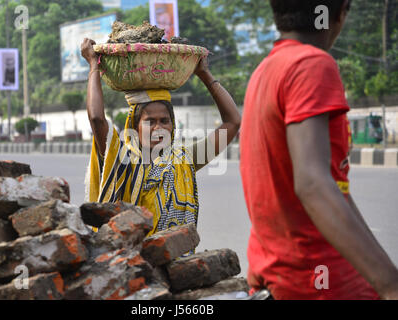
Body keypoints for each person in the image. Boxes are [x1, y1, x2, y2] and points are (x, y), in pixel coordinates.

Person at [239, 0, 398, 300]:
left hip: (276, 273)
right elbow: (313, 185)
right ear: (339, 13)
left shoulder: (264, 70)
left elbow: (335, 189)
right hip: (319, 280)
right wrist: (390, 285)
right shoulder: (311, 64)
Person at [81, 38, 241, 237]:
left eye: (165, 121)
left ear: (173, 125)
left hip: (177, 263)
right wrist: (93, 67)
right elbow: (97, 119)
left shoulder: (184, 159)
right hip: (133, 265)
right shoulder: (122, 159)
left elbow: (232, 123)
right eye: (150, 121)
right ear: (135, 126)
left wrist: (204, 74)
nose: (159, 128)